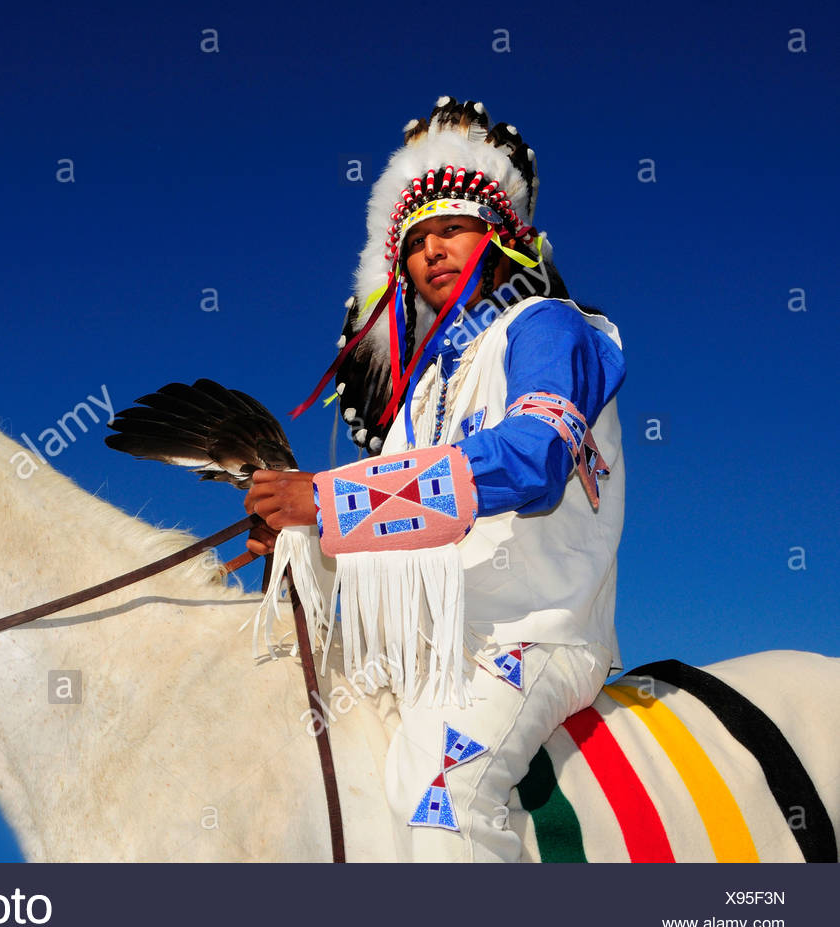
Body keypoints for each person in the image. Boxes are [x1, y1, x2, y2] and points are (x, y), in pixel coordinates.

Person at [244, 96, 626, 862]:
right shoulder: (421, 396)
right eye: (416, 240)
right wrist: (303, 534)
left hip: (536, 630)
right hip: (434, 643)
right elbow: (399, 528)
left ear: (500, 235)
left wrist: (327, 499)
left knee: (444, 798)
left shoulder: (548, 327)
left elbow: (534, 456)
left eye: (453, 227)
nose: (432, 251)